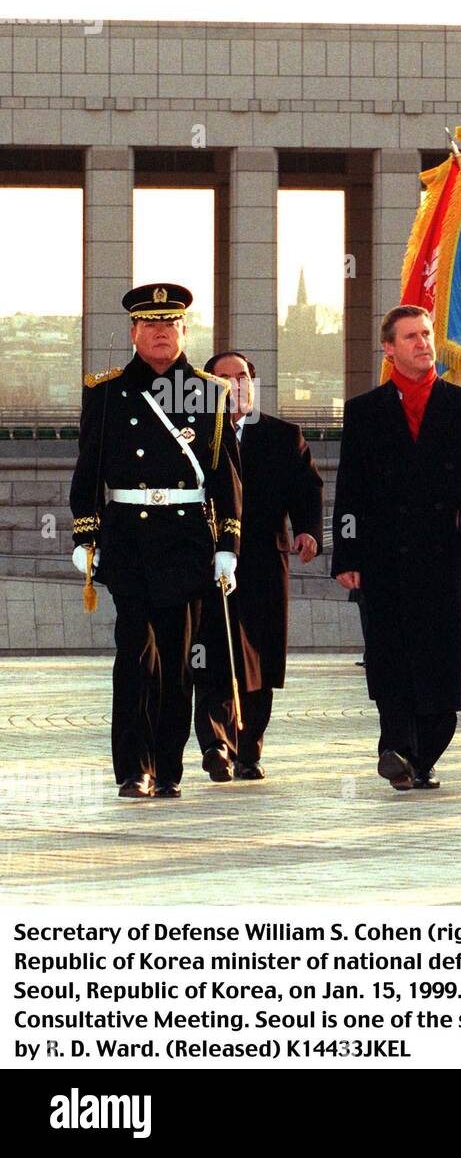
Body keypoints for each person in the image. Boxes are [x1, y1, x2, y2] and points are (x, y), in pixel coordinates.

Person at [69, 283, 241, 799]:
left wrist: (227, 546)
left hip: (187, 541)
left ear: (185, 330)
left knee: (178, 659)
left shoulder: (210, 391)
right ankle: (133, 768)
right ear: (134, 332)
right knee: (135, 656)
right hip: (129, 539)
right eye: (150, 325)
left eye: (170, 324)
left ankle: (168, 769)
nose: (161, 333)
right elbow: (89, 469)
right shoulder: (106, 391)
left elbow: (225, 475)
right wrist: (85, 531)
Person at [331, 305, 461, 792]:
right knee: (389, 654)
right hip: (383, 557)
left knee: (442, 655)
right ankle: (395, 748)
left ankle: (422, 753)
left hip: (449, 554)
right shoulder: (365, 411)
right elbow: (350, 490)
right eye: (410, 337)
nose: (422, 343)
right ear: (389, 349)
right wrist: (345, 555)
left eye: (426, 334)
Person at [193, 350, 323, 782]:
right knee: (213, 652)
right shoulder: (191, 437)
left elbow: (307, 490)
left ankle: (248, 749)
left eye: (242, 377)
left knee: (260, 658)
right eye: (223, 378)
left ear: (253, 383)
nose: (234, 385)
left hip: (266, 562)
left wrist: (307, 531)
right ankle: (216, 744)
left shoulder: (283, 436)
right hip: (208, 564)